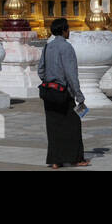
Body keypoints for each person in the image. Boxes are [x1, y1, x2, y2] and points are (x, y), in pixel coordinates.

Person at [37, 17, 87, 168]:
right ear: (64, 30)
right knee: (74, 124)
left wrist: (49, 80)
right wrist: (79, 95)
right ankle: (76, 158)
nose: (69, 31)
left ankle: (55, 161)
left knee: (54, 126)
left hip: (48, 92)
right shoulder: (66, 47)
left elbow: (40, 70)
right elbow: (71, 75)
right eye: (68, 28)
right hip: (63, 93)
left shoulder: (47, 47)